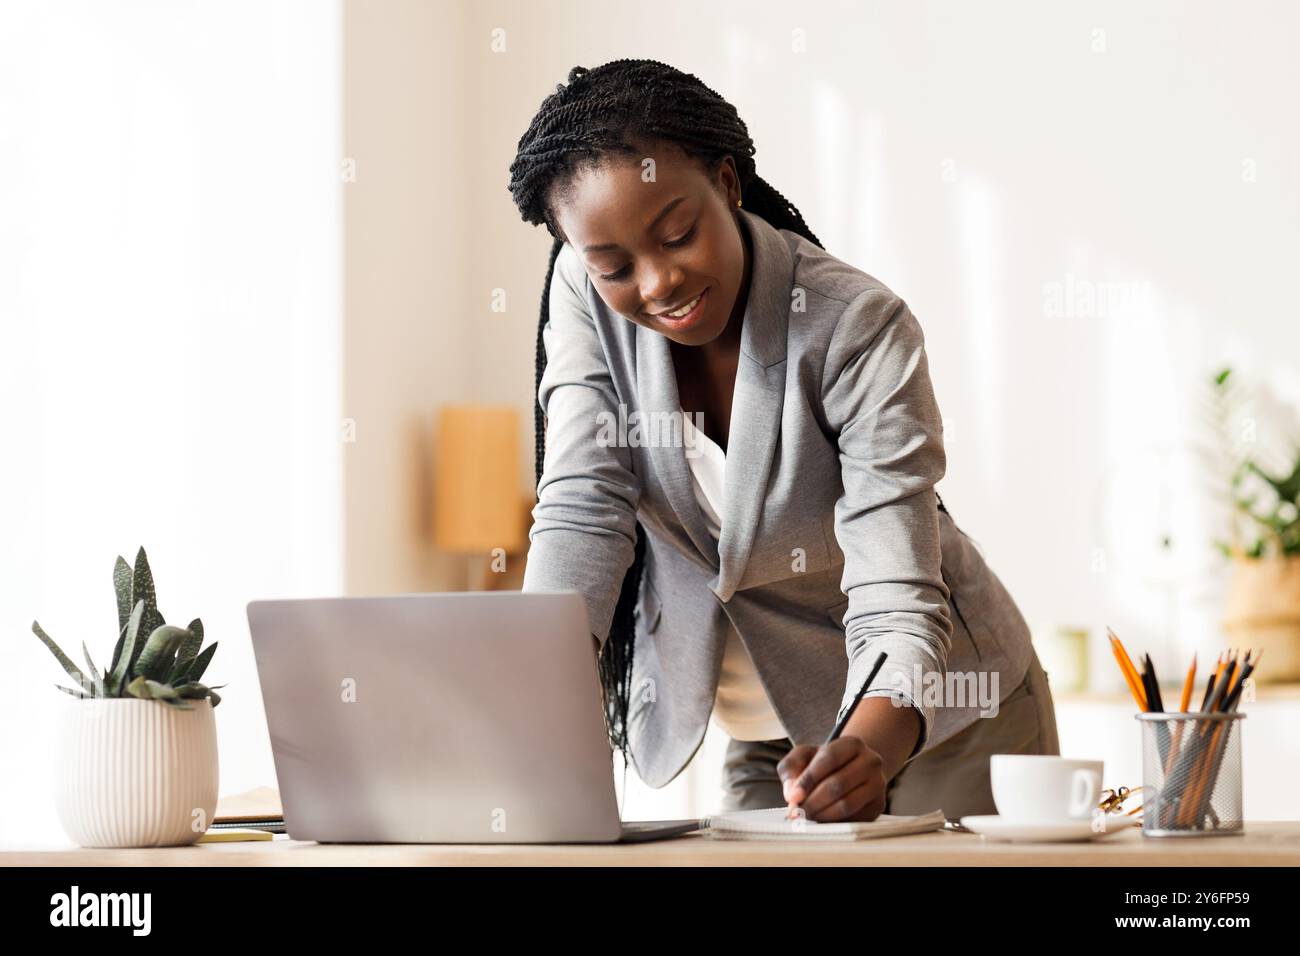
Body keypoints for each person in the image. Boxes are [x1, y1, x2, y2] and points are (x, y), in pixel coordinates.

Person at [508, 59, 1058, 822]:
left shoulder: (855, 325)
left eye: (677, 234)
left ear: (728, 185)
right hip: (766, 726)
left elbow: (896, 589)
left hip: (940, 716)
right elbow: (582, 507)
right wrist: (523, 716)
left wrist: (868, 745)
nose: (658, 281)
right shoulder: (582, 296)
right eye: (615, 267)